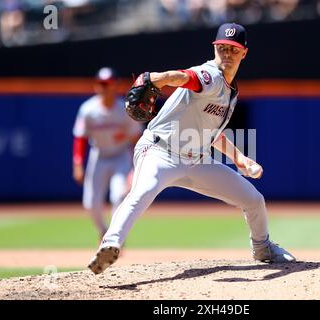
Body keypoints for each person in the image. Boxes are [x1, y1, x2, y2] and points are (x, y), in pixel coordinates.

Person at [88, 23, 296, 275]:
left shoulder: (230, 91)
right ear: (215, 49)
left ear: (244, 53)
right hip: (159, 152)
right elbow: (185, 77)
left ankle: (262, 249)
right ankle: (110, 244)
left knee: (254, 200)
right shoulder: (210, 75)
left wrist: (239, 158)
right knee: (141, 193)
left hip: (196, 160)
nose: (227, 54)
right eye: (222, 48)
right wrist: (158, 78)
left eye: (233, 49)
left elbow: (211, 132)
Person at [72, 67, 143, 241]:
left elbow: (137, 139)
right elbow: (80, 138)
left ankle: (114, 236)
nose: (105, 87)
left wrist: (137, 166)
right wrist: (78, 164)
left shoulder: (124, 110)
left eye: (109, 83)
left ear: (116, 85)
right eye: (102, 83)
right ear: (96, 86)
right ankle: (103, 231)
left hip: (120, 157)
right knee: (91, 203)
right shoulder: (88, 109)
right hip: (99, 156)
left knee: (118, 195)